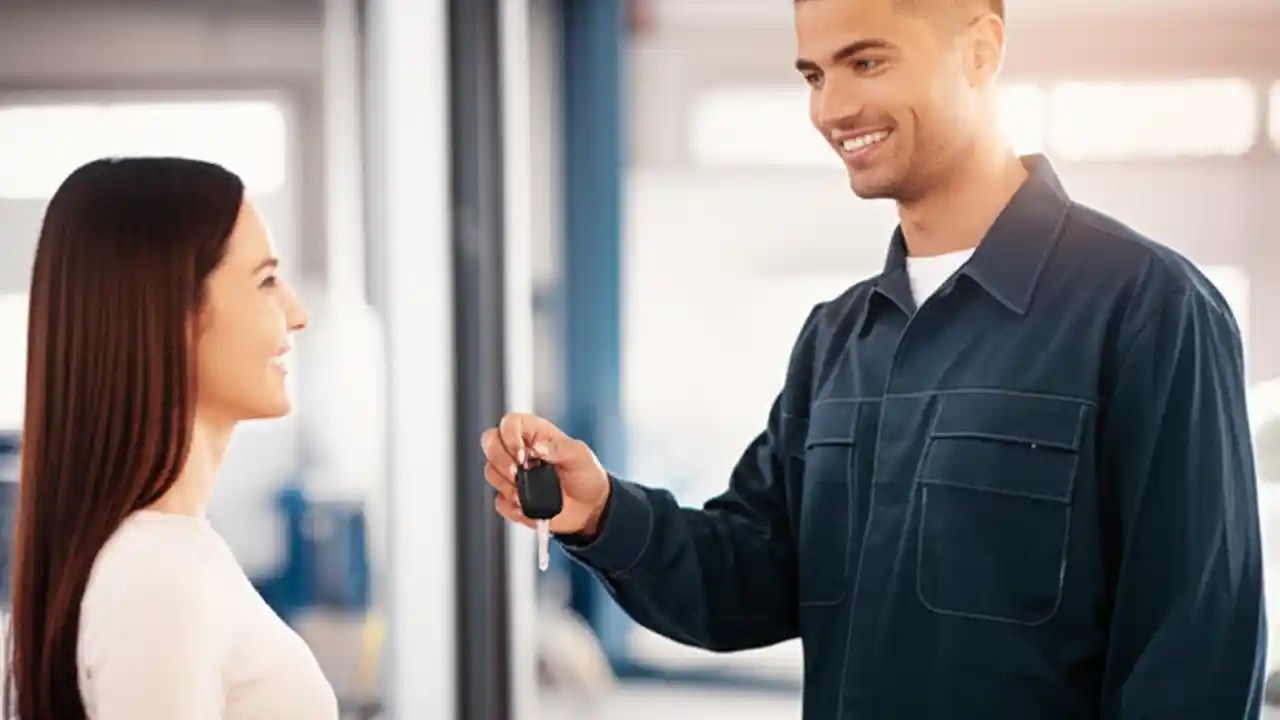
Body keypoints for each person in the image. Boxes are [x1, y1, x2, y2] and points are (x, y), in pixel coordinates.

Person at [482, 0, 1266, 716]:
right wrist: (603, 514)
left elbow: (1194, 656)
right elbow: (750, 578)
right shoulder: (838, 340)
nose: (832, 108)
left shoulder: (1148, 311)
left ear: (981, 50)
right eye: (815, 75)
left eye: (867, 62)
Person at [7, 157, 338, 720]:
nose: (297, 314)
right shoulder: (157, 578)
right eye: (265, 281)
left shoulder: (168, 558)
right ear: (172, 315)